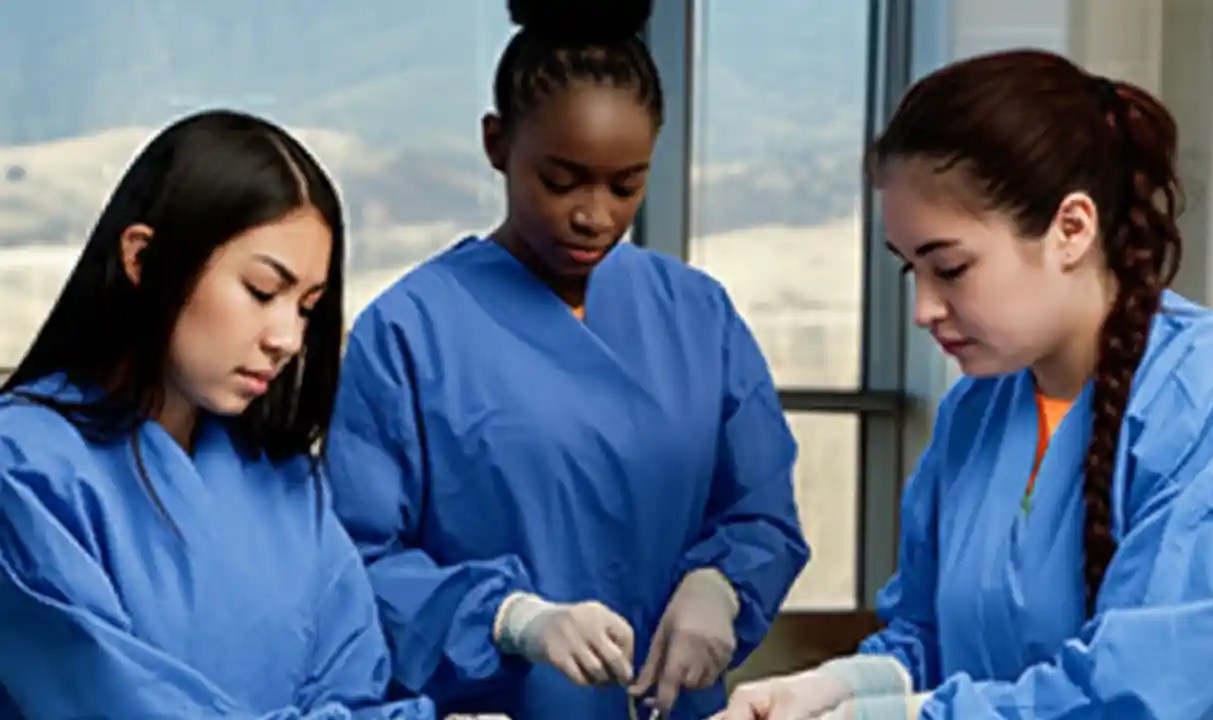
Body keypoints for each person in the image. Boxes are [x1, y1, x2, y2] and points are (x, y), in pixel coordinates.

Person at [713, 48, 1213, 720]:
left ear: (1072, 228)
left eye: (949, 269)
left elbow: (1138, 696)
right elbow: (927, 639)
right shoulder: (977, 413)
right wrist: (841, 689)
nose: (923, 309)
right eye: (909, 272)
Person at [323, 0, 810, 718]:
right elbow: (357, 561)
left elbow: (761, 512)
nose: (595, 216)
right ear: (496, 144)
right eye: (561, 180)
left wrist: (722, 585)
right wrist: (511, 619)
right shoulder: (408, 331)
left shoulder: (699, 315)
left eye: (626, 185)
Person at [0, 110, 435, 719]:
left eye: (307, 308)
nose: (286, 337)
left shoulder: (288, 487)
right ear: (143, 259)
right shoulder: (23, 474)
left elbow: (355, 689)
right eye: (262, 291)